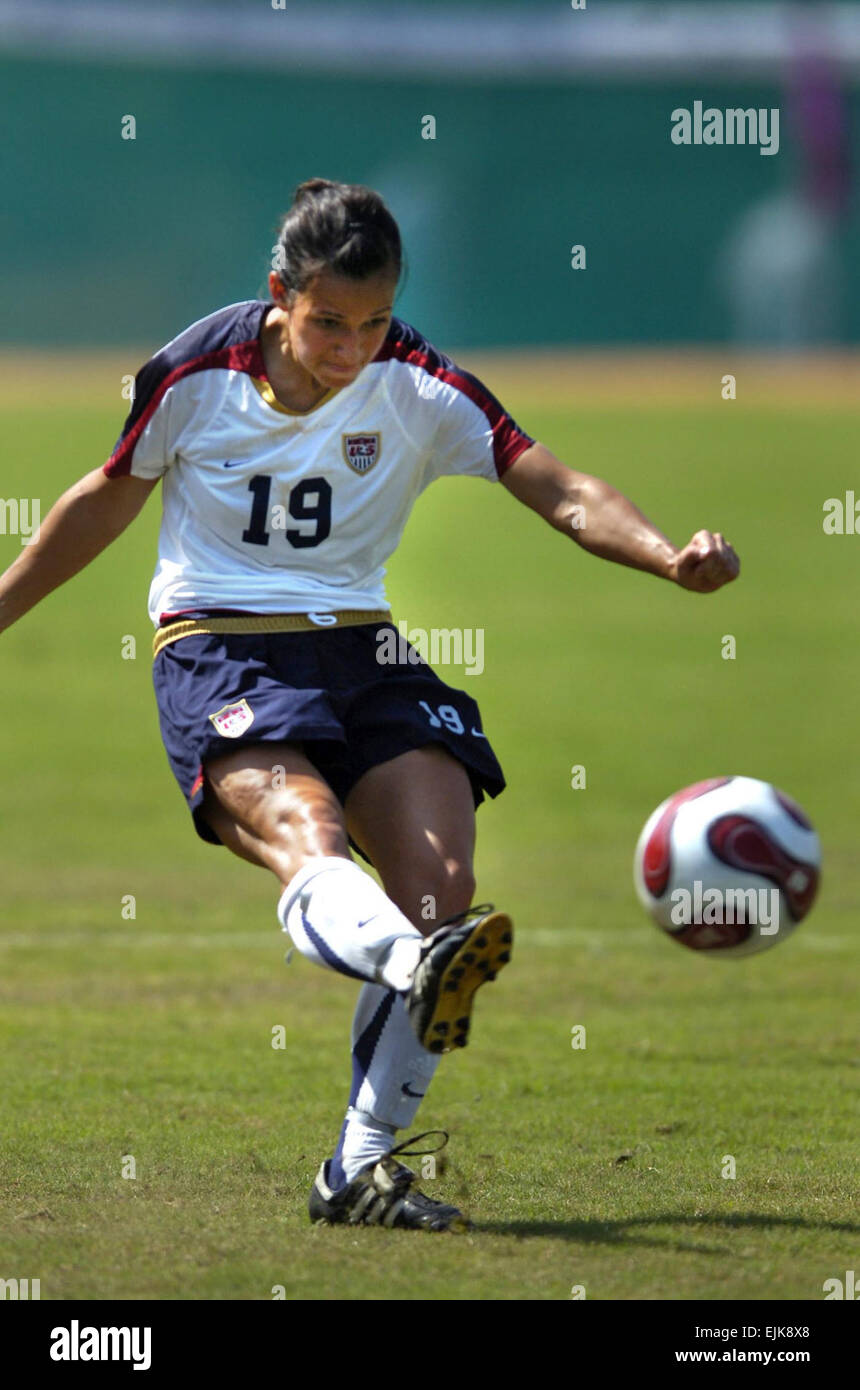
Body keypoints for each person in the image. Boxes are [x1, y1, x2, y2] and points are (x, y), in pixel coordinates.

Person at [0, 178, 739, 1232]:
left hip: (362, 649)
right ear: (280, 295)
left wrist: (669, 558)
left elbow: (560, 488)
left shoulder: (420, 383)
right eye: (327, 323)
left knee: (441, 885)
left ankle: (357, 1165)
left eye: (373, 322)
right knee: (313, 837)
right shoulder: (195, 373)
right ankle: (407, 960)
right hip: (219, 649)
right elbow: (101, 500)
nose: (350, 348)